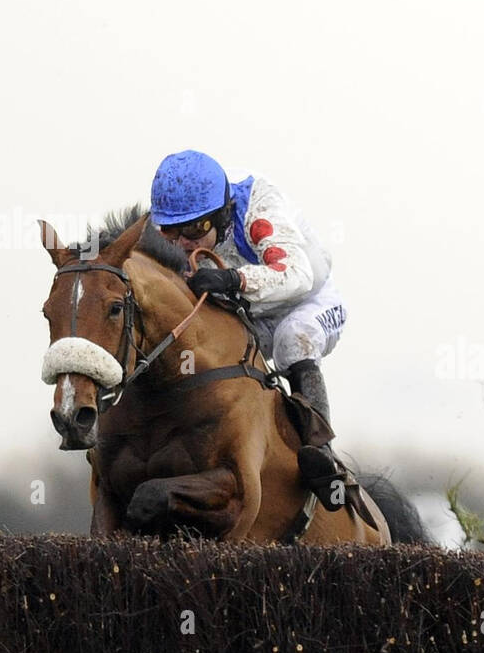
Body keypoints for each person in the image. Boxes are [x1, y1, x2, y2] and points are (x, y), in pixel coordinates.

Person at [149, 149, 354, 508]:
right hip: (250, 307)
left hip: (307, 300)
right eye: (171, 232)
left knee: (294, 340)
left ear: (223, 214)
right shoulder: (171, 222)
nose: (184, 243)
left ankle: (322, 453)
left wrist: (232, 278)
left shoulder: (257, 209)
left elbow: (297, 275)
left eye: (196, 230)